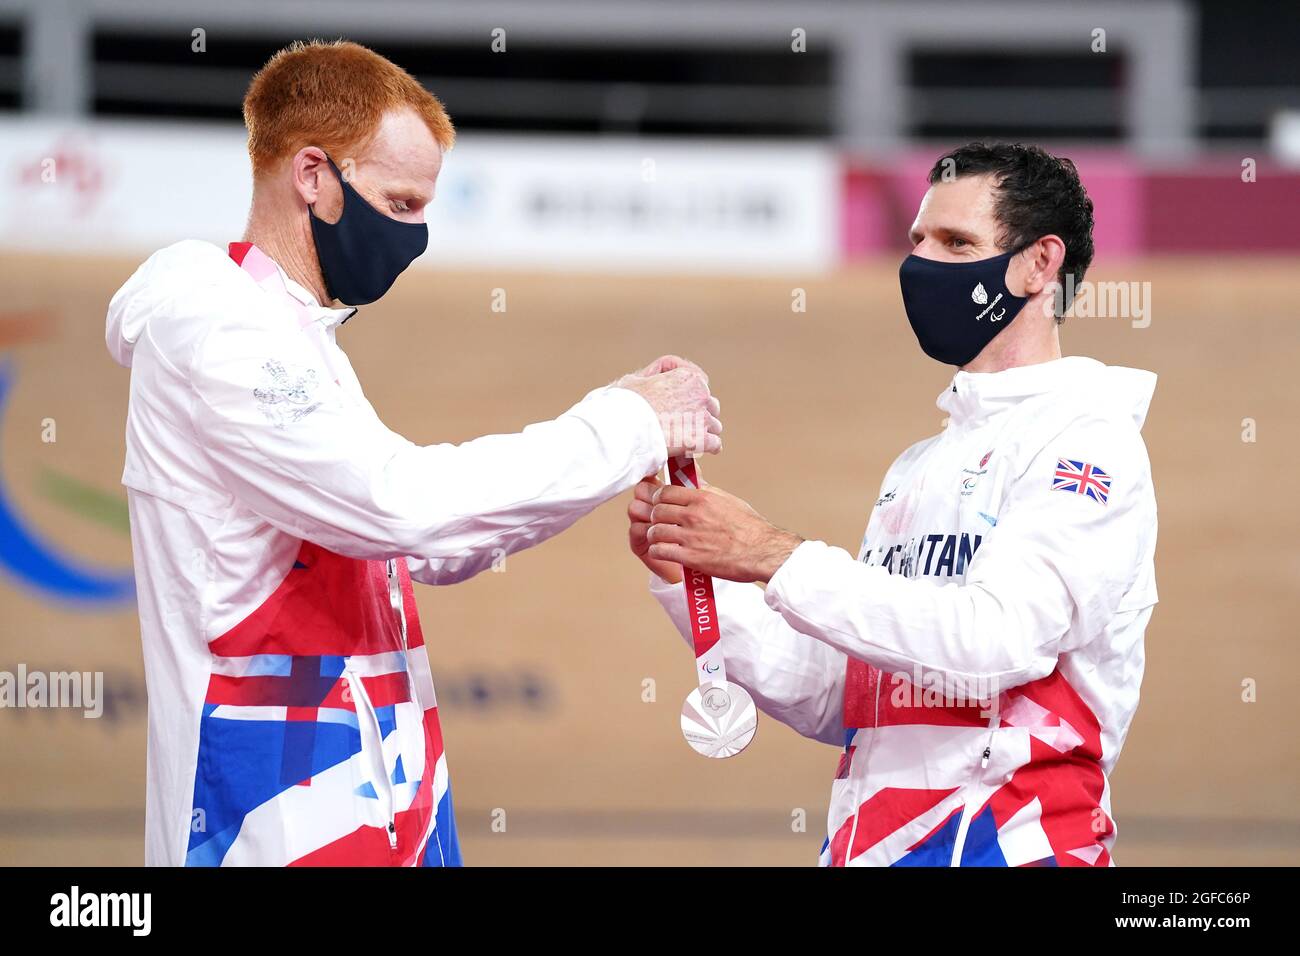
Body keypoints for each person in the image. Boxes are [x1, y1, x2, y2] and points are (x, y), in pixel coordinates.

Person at [105, 39, 721, 867]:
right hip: (268, 814)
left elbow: (429, 546)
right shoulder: (218, 329)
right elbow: (397, 504)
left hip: (387, 796)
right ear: (313, 176)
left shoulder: (300, 334)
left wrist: (617, 438)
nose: (416, 237)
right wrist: (624, 423)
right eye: (399, 204)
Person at [630, 142, 1158, 867]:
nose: (922, 265)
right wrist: (693, 570)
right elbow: (841, 696)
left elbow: (997, 640)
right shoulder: (918, 466)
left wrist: (769, 552)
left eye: (956, 243)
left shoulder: (1088, 443)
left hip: (1012, 848)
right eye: (918, 241)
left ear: (1040, 264)